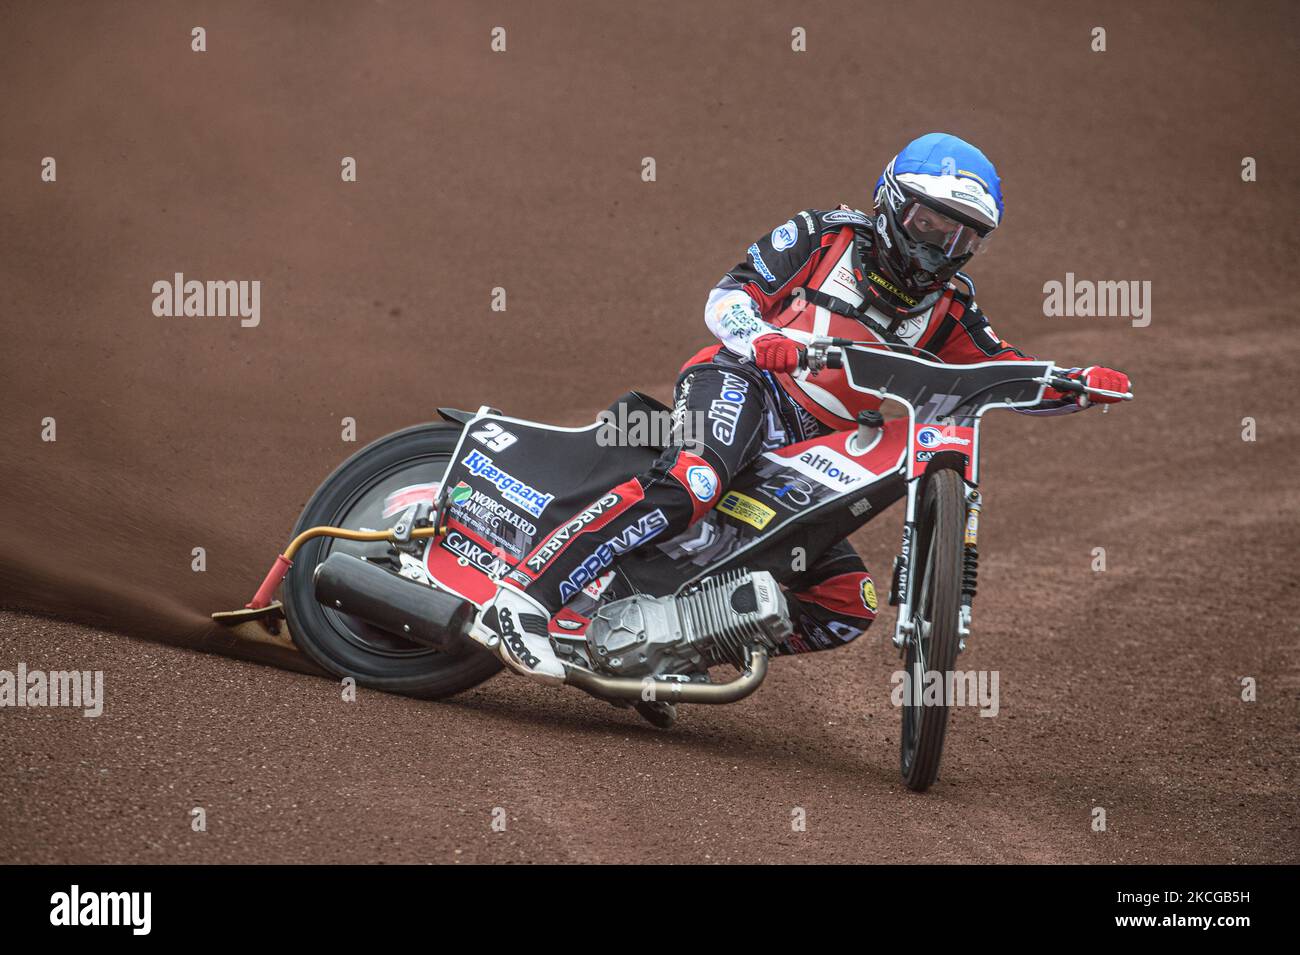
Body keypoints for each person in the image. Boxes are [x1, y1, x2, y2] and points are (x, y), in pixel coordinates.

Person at [480, 132, 1131, 682]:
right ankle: (525, 597)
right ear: (893, 204)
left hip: (810, 455)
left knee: (850, 602)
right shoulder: (824, 237)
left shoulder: (951, 309)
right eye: (929, 225)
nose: (939, 249)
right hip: (745, 387)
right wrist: (766, 339)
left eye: (962, 240)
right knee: (694, 480)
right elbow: (727, 296)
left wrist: (1074, 385)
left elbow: (1002, 374)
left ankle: (671, 645)